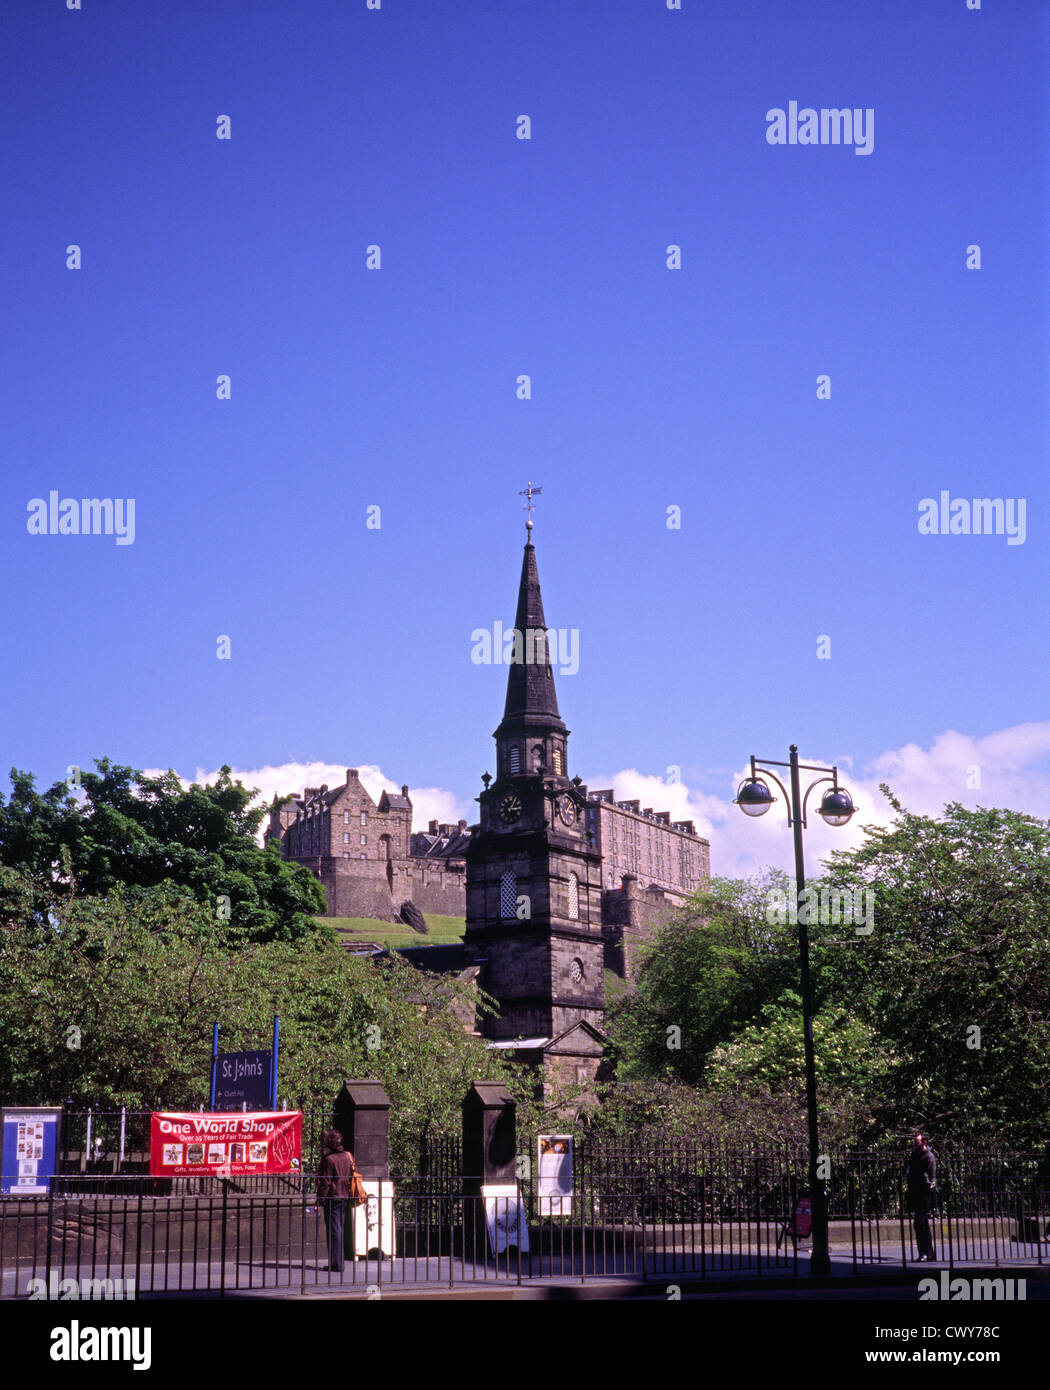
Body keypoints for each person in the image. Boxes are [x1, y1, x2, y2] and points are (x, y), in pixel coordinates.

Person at [316, 1129, 358, 1272]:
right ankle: (338, 1262)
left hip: (333, 1197)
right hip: (345, 1196)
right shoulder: (348, 1156)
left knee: (334, 1230)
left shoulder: (329, 1159)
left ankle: (336, 1264)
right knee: (339, 1229)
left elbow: (325, 1182)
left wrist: (319, 1200)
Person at [906, 1133, 937, 1262]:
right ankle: (927, 1253)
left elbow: (930, 1176)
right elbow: (909, 1170)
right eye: (914, 1142)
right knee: (920, 1223)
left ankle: (926, 1253)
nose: (915, 1144)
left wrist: (927, 1183)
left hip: (925, 1192)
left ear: (924, 1143)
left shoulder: (929, 1157)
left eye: (917, 1142)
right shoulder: (914, 1156)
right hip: (916, 1192)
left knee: (920, 1222)